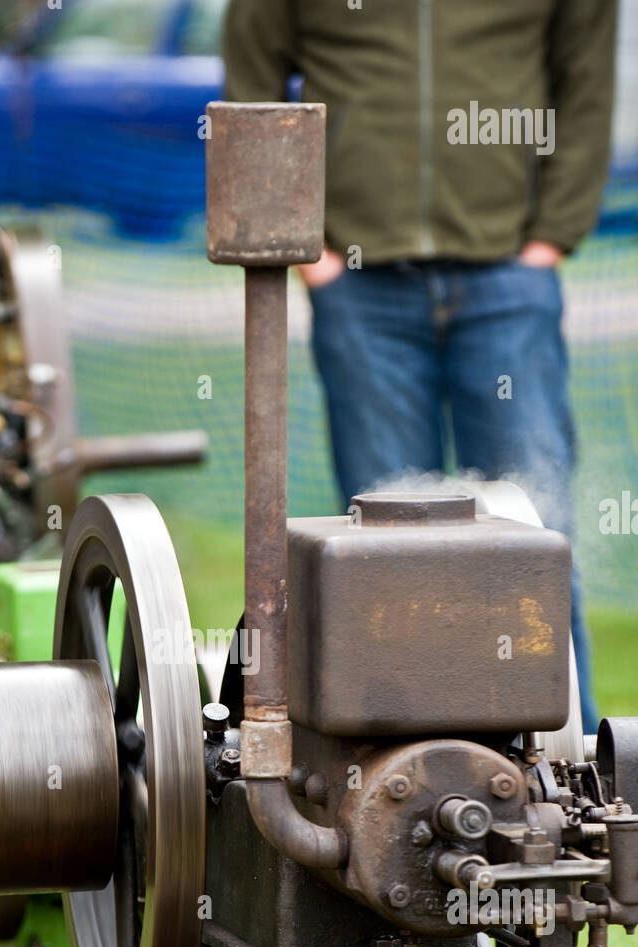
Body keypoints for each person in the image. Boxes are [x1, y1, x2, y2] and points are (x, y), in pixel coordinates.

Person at [223, 0, 618, 732]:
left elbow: (586, 83)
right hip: (357, 285)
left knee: (538, 538)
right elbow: (250, 76)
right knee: (384, 555)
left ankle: (570, 776)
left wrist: (551, 239)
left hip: (509, 274)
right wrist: (315, 255)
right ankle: (401, 781)